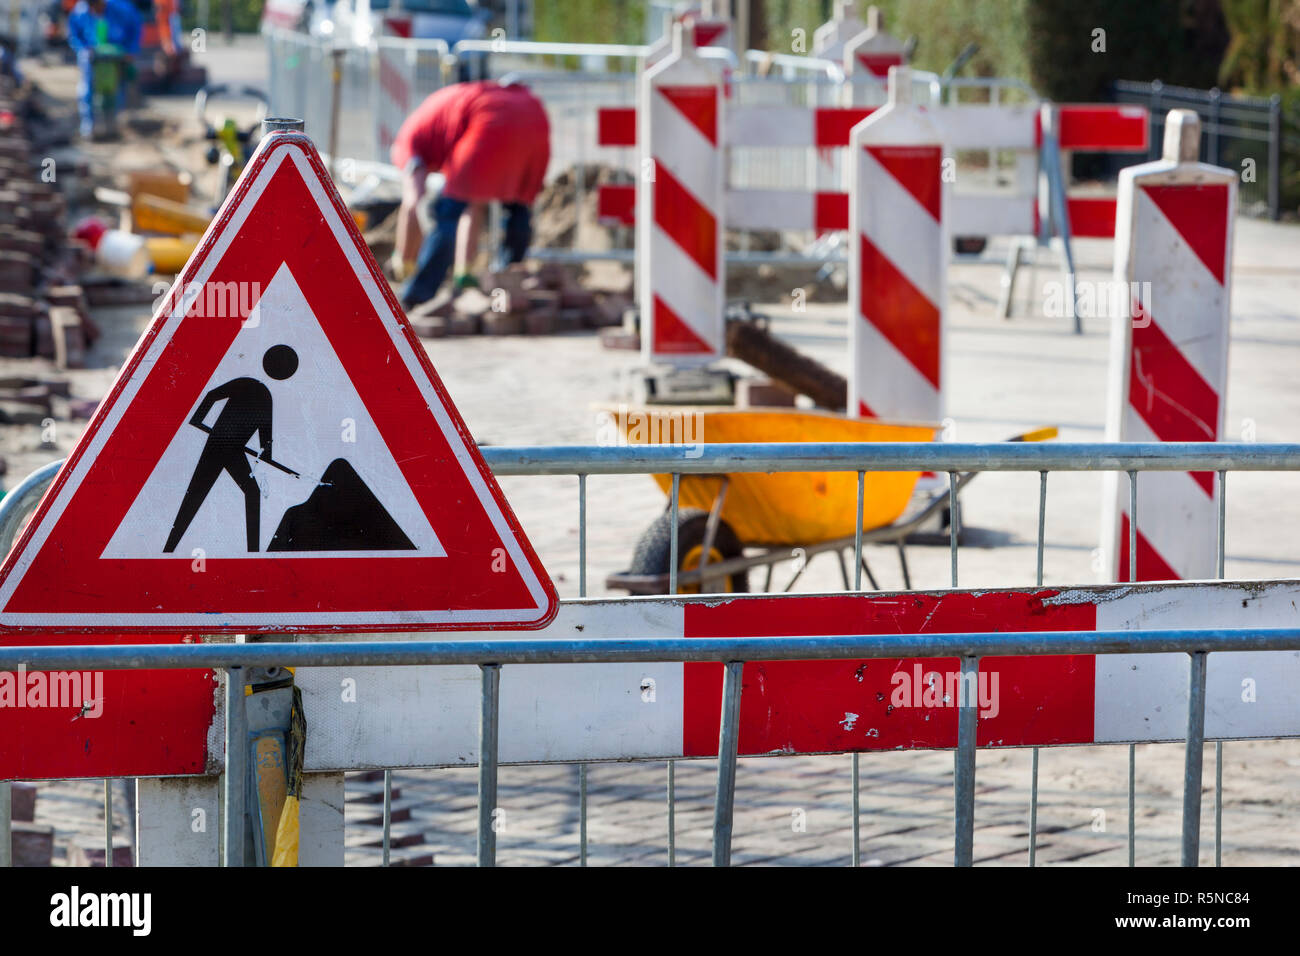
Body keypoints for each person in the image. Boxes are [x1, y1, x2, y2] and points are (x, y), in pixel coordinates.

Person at [390, 80, 550, 310]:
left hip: (489, 121)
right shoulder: (436, 117)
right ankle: (507, 286)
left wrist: (403, 260)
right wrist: (463, 271)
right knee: (517, 205)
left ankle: (417, 294)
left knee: (446, 213)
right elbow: (475, 203)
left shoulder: (408, 144)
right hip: (532, 117)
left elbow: (412, 202)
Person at [164, 345, 299, 554]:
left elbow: (266, 435)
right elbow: (211, 395)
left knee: (249, 491)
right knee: (196, 493)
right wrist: (197, 419)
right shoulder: (254, 389)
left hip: (232, 449)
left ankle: (253, 553)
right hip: (218, 445)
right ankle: (168, 548)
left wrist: (267, 456)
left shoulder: (260, 393)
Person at [66, 0, 140, 137]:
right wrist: (83, 49)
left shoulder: (121, 9)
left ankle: (113, 123)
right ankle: (89, 126)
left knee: (116, 88)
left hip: (117, 55)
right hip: (92, 57)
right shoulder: (80, 11)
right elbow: (74, 34)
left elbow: (135, 26)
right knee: (87, 88)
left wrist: (131, 50)